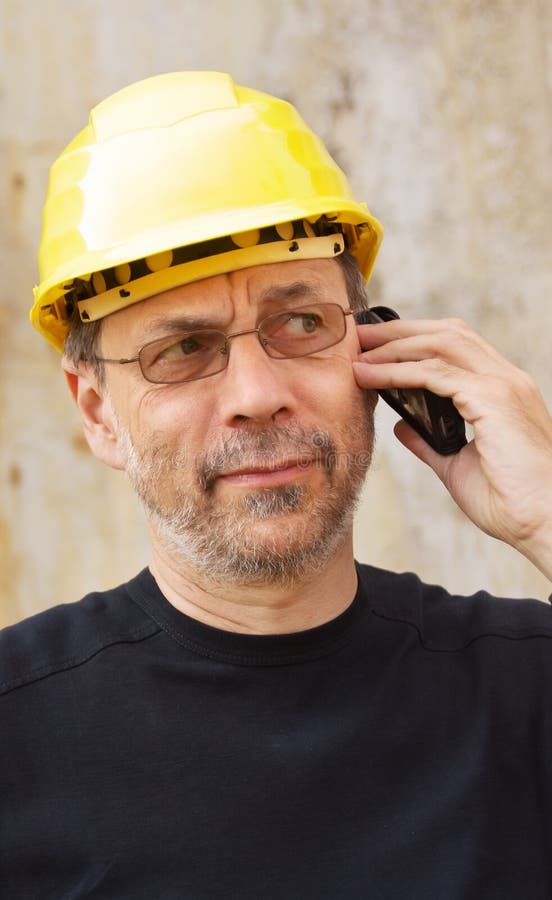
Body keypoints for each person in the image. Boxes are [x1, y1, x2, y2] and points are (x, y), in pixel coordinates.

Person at [1, 71, 551, 899]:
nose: (258, 395)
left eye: (300, 324)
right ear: (100, 414)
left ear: (373, 348)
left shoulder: (525, 688)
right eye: (181, 349)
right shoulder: (16, 732)